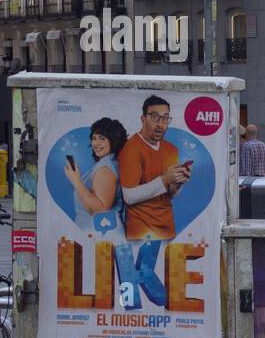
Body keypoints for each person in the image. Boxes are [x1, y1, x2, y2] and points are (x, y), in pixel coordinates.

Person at [118, 95, 189, 242]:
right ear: (143, 118)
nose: (161, 124)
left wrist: (177, 182)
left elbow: (170, 195)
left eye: (165, 119)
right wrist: (164, 180)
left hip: (168, 230)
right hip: (141, 233)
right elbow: (129, 197)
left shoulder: (171, 149)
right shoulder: (131, 148)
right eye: (155, 117)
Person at [64, 116, 128, 242]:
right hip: (95, 236)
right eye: (94, 138)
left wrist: (76, 182)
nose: (96, 143)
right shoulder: (106, 164)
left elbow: (102, 210)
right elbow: (89, 207)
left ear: (113, 141)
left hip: (102, 238)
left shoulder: (105, 169)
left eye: (102, 139)